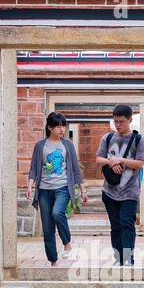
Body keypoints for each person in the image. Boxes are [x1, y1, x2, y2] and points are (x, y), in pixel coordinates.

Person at [26, 110, 86, 266]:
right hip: (44, 190)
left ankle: (67, 242)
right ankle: (53, 261)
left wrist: (82, 189)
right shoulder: (40, 146)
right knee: (47, 227)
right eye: (58, 126)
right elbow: (34, 168)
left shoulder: (67, 145)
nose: (62, 130)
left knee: (57, 213)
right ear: (50, 127)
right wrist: (30, 187)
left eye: (63, 126)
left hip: (62, 187)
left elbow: (75, 169)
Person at [96, 104, 144, 266]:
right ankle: (118, 259)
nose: (118, 125)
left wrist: (121, 160)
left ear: (130, 120)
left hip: (130, 192)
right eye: (115, 121)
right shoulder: (108, 138)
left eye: (121, 121)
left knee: (127, 224)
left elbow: (140, 163)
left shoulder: (139, 140)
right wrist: (112, 162)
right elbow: (98, 159)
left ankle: (128, 259)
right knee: (116, 226)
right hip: (110, 191)